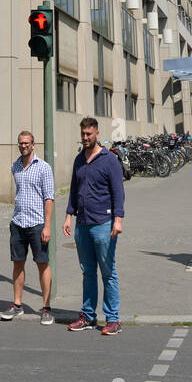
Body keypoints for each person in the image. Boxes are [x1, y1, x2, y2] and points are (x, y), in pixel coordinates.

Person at [63, 116, 125, 335]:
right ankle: (88, 316)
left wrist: (118, 220)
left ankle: (113, 319)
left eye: (89, 134)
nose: (85, 138)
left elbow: (118, 192)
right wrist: (69, 215)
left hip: (103, 224)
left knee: (108, 272)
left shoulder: (109, 160)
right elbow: (73, 189)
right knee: (87, 272)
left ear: (97, 133)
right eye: (83, 134)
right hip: (82, 224)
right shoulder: (79, 159)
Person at [1, 131, 55, 325]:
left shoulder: (43, 168)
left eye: (26, 143)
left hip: (37, 224)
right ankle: (17, 304)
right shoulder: (15, 166)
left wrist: (47, 226)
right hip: (18, 223)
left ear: (33, 145)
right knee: (18, 263)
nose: (23, 146)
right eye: (20, 143)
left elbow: (49, 198)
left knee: (42, 264)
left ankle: (46, 307)